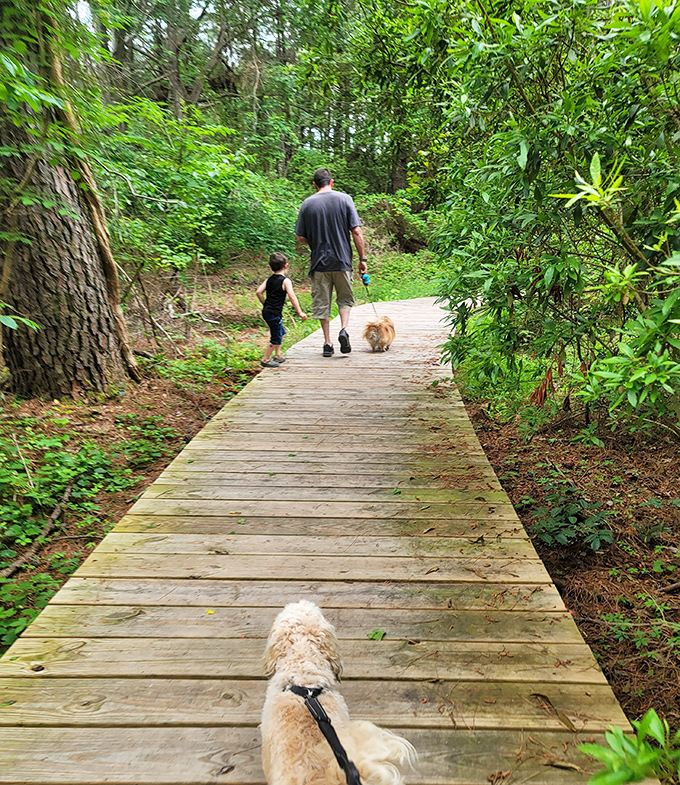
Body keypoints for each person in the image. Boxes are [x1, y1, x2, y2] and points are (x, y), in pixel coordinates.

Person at [294, 168, 368, 357]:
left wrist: (315, 243)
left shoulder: (307, 204)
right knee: (345, 299)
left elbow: (300, 237)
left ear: (315, 185)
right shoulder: (345, 199)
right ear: (332, 182)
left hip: (319, 264)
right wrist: (362, 259)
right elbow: (356, 231)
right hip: (342, 261)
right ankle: (344, 329)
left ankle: (327, 343)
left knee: (322, 303)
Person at [256, 252, 307, 368]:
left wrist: (265, 304)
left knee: (280, 331)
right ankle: (265, 359)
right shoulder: (285, 281)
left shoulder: (268, 280)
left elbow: (258, 292)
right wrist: (300, 312)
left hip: (268, 311)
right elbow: (292, 296)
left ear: (270, 267)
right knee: (276, 336)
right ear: (286, 265)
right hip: (274, 312)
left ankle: (277, 355)